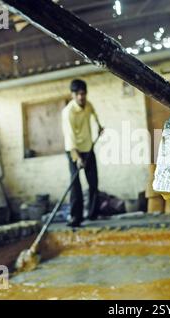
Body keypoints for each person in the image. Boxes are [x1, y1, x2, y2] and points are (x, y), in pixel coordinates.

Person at [62, 79, 103, 227]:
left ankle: (93, 214)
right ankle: (75, 217)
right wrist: (77, 157)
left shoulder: (88, 105)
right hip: (73, 150)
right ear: (72, 95)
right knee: (76, 185)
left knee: (93, 182)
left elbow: (94, 113)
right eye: (78, 94)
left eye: (83, 94)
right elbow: (70, 137)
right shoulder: (68, 113)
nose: (81, 97)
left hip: (88, 147)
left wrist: (99, 126)